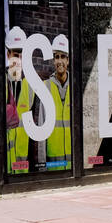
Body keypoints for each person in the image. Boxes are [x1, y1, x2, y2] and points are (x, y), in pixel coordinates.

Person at [5, 26, 31, 172]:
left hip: (22, 166)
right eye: (16, 54)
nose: (19, 59)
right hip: (6, 166)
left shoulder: (30, 86)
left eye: (21, 54)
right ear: (8, 54)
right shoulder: (0, 81)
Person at [46, 34, 72, 167]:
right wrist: (41, 163)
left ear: (68, 60)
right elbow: (41, 125)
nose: (60, 61)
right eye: (57, 57)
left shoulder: (75, 86)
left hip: (73, 159)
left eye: (63, 57)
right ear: (53, 61)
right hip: (53, 161)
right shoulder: (46, 86)